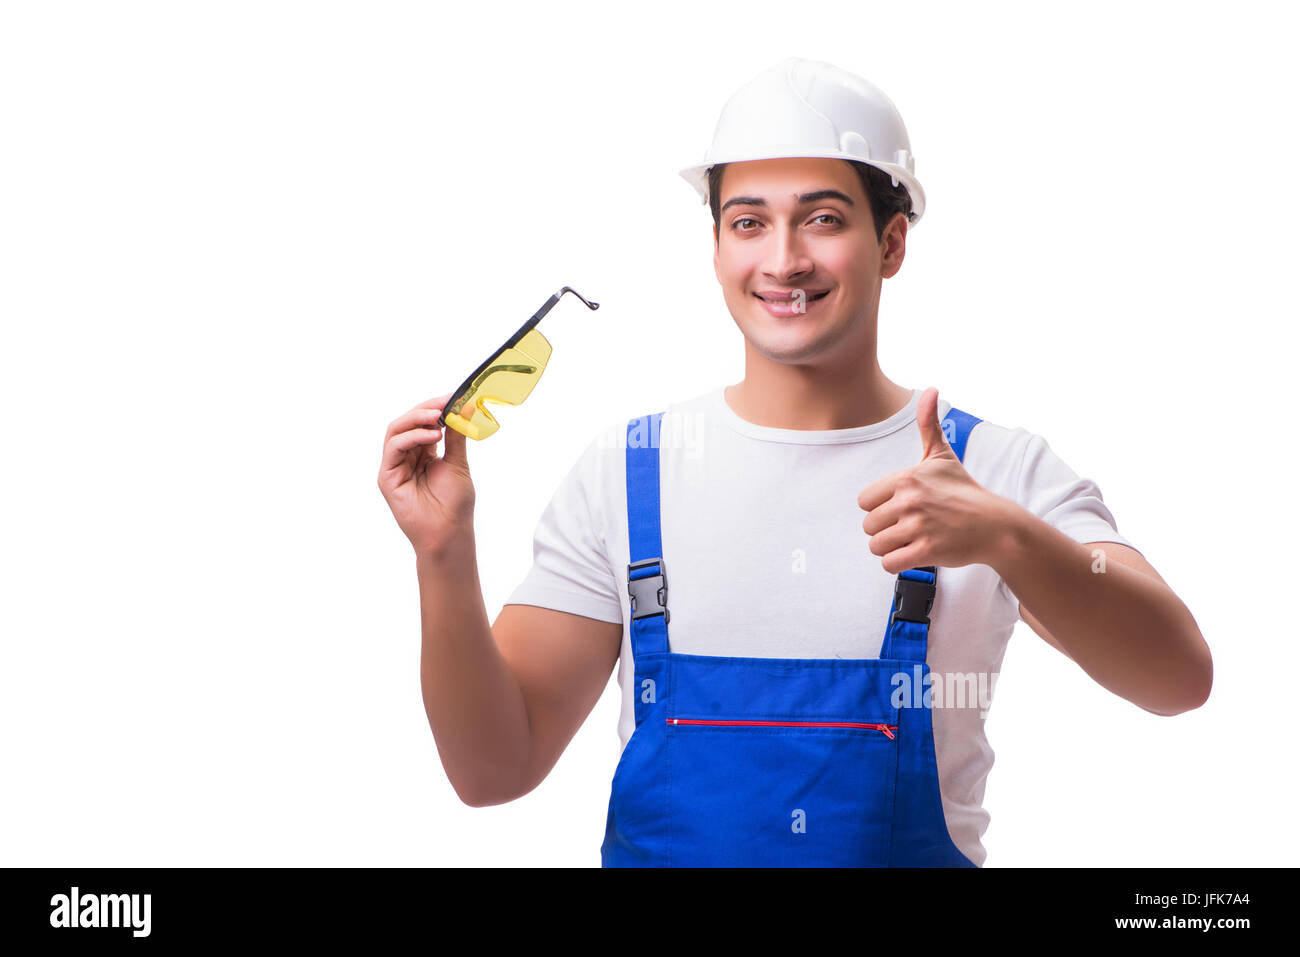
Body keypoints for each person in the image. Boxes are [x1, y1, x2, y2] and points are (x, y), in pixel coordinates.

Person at [377, 57, 1212, 867]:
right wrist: (443, 556)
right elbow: (492, 770)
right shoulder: (630, 473)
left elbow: (1179, 677)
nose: (783, 260)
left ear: (891, 243)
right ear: (715, 248)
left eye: (822, 218)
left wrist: (1011, 539)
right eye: (748, 222)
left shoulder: (990, 468)